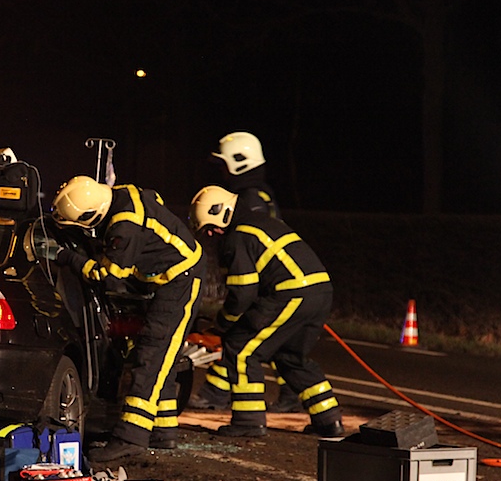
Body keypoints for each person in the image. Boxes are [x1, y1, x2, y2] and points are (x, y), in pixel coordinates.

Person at [51, 175, 205, 462]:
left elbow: (108, 277)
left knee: (151, 356)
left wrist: (68, 258)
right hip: (175, 275)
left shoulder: (124, 229)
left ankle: (130, 437)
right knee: (163, 360)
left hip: (179, 280)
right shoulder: (119, 194)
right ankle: (164, 430)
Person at [188, 185, 344, 439]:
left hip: (289, 293)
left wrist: (222, 324)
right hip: (319, 291)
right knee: (290, 357)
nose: (213, 234)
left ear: (223, 213)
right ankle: (328, 420)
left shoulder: (237, 237)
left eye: (211, 227)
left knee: (240, 348)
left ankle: (249, 421)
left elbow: (243, 293)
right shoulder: (262, 222)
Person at [211, 131, 303, 413]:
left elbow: (248, 241)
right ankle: (288, 395)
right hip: (273, 277)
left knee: (242, 336)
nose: (222, 171)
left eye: (225, 164)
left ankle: (216, 394)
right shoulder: (259, 194)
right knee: (275, 341)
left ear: (238, 163)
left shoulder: (250, 199)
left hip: (266, 280)